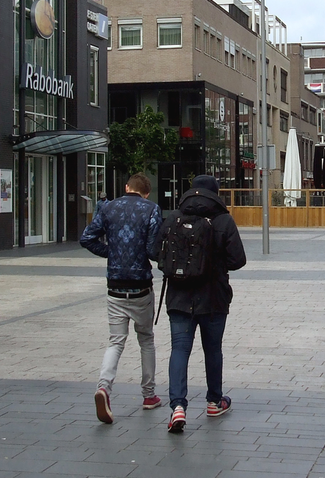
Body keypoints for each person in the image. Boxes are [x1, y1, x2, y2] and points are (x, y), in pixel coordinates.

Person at [150, 175, 247, 434]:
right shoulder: (223, 220)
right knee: (212, 350)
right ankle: (215, 401)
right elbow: (238, 260)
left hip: (179, 297)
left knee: (179, 350)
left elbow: (153, 251)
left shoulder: (173, 218)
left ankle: (178, 407)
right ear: (215, 194)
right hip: (214, 298)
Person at [80, 173, 163, 424]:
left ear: (126, 187)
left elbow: (87, 238)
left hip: (114, 285)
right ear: (146, 193)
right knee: (146, 339)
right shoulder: (152, 209)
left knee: (115, 341)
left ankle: (104, 387)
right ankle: (149, 395)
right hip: (140, 285)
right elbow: (151, 249)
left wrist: (111, 253)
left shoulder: (107, 207)